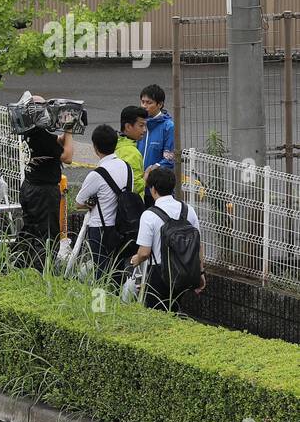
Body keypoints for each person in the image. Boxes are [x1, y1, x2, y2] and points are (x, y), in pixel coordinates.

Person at [130, 166, 206, 311]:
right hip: (185, 270)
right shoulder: (188, 210)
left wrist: (136, 259)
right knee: (174, 312)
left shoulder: (149, 215)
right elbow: (198, 245)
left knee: (156, 314)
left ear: (153, 189)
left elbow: (144, 253)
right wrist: (201, 273)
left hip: (159, 275)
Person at [16, 96, 74, 269]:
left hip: (29, 187)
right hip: (43, 192)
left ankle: (23, 268)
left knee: (30, 231)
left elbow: (56, 142)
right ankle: (40, 272)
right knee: (47, 235)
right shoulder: (41, 135)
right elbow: (67, 157)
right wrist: (69, 130)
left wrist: (65, 132)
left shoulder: (28, 131)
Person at [73, 124, 130, 274]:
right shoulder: (127, 167)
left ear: (95, 147)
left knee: (102, 271)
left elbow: (79, 203)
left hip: (101, 228)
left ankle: (103, 297)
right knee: (119, 271)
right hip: (124, 227)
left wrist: (92, 203)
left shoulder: (97, 174)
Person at [138, 83, 175, 202]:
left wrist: (151, 170)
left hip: (157, 189)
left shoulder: (168, 126)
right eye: (143, 102)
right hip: (138, 186)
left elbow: (169, 159)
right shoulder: (138, 123)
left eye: (149, 103)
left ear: (160, 104)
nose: (144, 106)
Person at [116, 105, 148, 199]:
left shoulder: (116, 144)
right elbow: (135, 186)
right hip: (132, 207)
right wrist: (147, 175)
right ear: (128, 126)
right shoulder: (132, 152)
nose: (144, 130)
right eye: (141, 126)